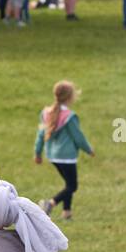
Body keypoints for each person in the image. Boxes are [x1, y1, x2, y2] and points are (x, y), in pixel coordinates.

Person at [34, 80, 95, 220]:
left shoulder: (46, 113)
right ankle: (50, 203)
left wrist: (37, 153)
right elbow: (78, 137)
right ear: (70, 97)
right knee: (72, 186)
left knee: (68, 184)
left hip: (53, 156)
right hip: (67, 157)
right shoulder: (69, 117)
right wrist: (88, 149)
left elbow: (40, 135)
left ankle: (67, 212)